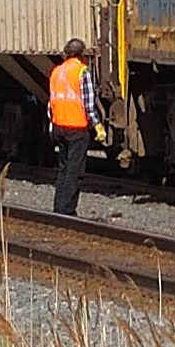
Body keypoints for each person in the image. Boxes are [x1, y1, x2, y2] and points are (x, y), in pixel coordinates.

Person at [47, 38, 98, 217]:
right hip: (77, 128)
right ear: (81, 54)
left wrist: (52, 124)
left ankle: (58, 207)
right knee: (75, 171)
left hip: (59, 126)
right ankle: (68, 210)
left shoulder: (56, 72)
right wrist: (97, 126)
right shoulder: (82, 72)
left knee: (64, 169)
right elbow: (88, 103)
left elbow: (51, 102)